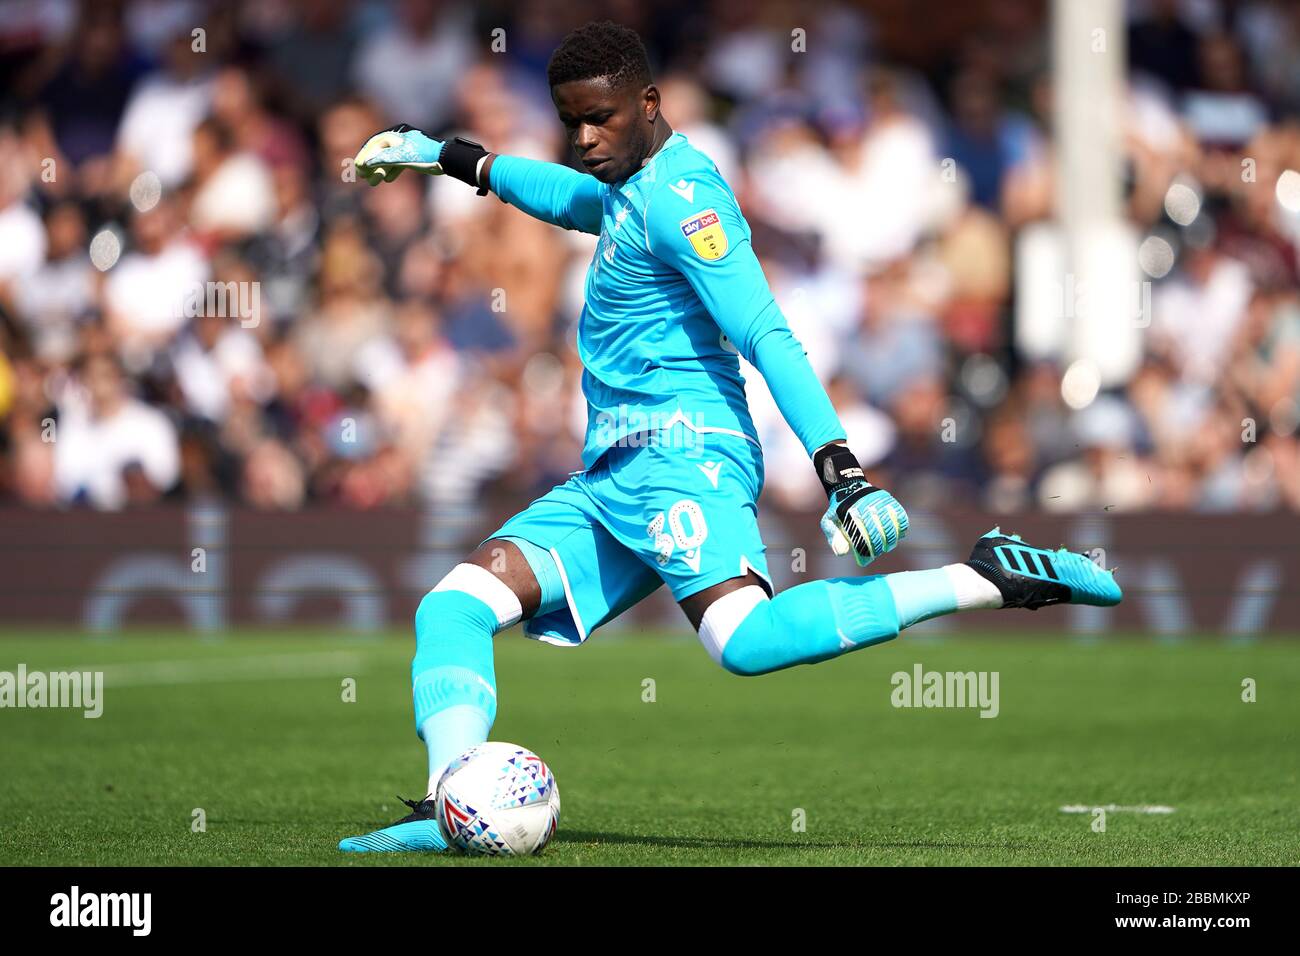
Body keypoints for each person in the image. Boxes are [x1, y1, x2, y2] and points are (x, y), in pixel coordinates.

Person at [339, 21, 1121, 852]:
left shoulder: (687, 200)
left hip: (685, 457)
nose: (584, 137)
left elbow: (767, 335)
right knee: (452, 608)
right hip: (612, 477)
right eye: (572, 121)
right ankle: (446, 806)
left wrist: (841, 470)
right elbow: (564, 197)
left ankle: (988, 575)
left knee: (745, 642)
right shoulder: (625, 186)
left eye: (599, 118)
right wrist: (447, 156)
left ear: (650, 103)